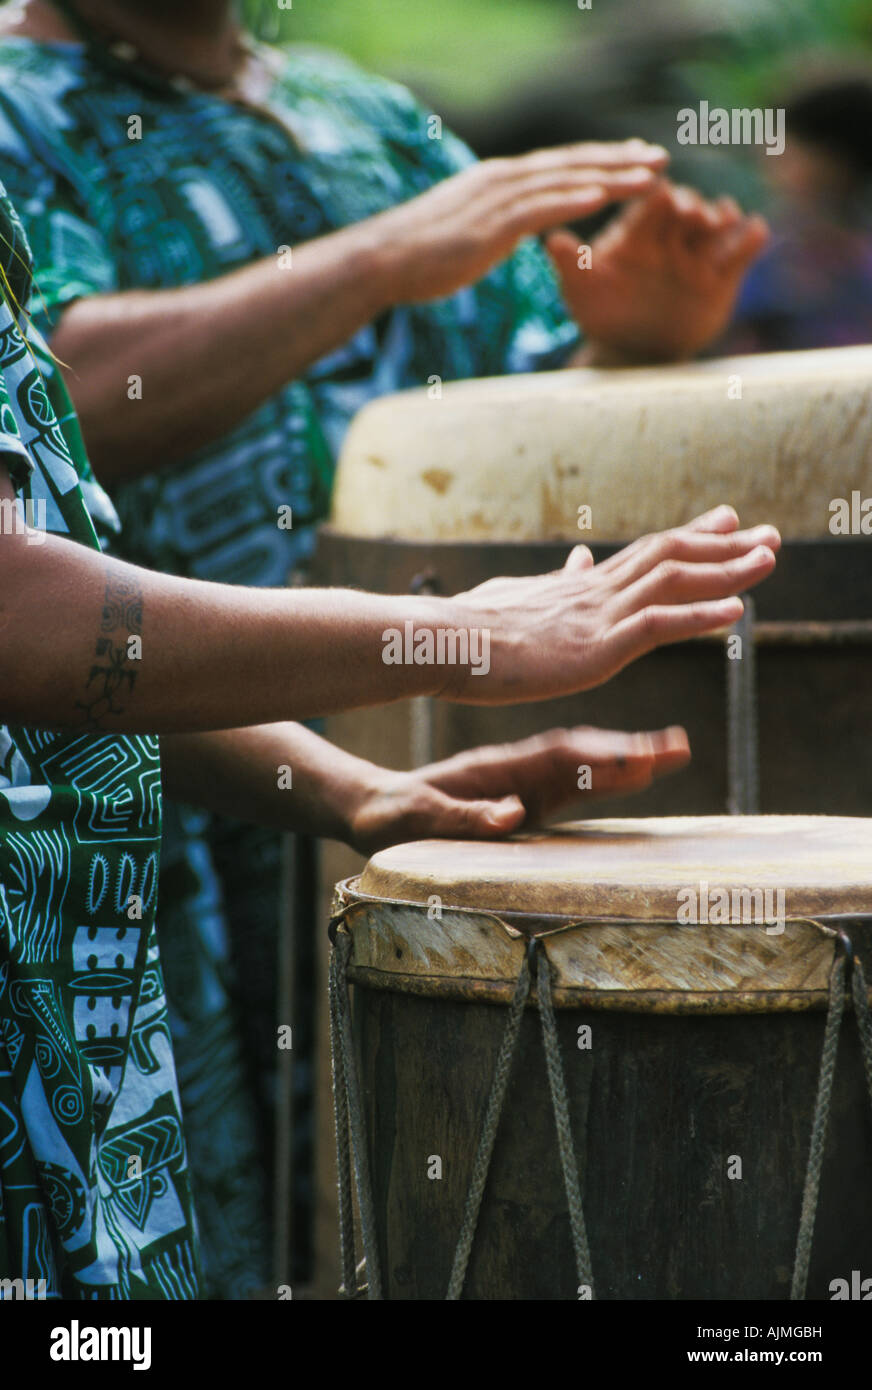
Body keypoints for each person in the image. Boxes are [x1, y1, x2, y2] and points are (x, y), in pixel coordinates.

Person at [0, 0, 771, 1295]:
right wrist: (459, 634)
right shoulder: (19, 107)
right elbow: (30, 577)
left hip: (199, 791)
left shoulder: (366, 120)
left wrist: (631, 334)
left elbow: (41, 555)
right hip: (145, 862)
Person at [724, 74, 872, 354]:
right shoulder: (763, 252)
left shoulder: (762, 251)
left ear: (832, 160)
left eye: (783, 149)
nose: (765, 158)